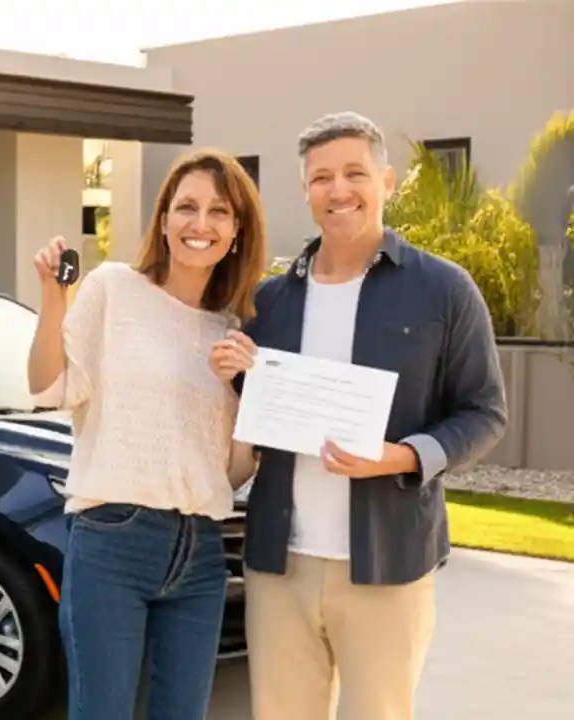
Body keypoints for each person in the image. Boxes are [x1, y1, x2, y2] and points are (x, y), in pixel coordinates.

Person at [209, 111, 508, 720]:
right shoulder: (270, 301)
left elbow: (484, 412)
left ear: (387, 180)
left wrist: (401, 457)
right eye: (322, 177)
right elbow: (256, 419)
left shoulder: (444, 290)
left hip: (388, 568)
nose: (338, 190)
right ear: (305, 191)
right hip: (278, 567)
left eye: (354, 173)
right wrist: (235, 371)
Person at [28, 149, 267, 719]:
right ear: (163, 221)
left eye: (218, 212)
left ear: (236, 232)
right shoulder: (114, 288)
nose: (200, 224)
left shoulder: (232, 331)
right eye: (186, 207)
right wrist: (52, 296)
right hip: (113, 540)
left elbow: (233, 470)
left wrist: (244, 390)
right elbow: (48, 386)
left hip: (202, 551)